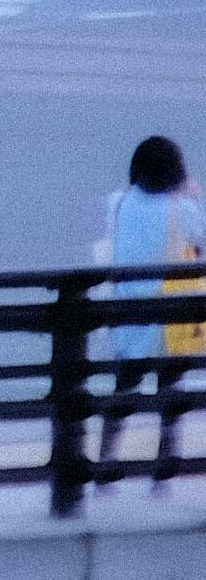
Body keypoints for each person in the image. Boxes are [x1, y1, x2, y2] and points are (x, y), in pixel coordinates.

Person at [100, 134, 206, 418]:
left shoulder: (118, 202)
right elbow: (201, 240)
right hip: (166, 325)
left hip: (126, 320)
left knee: (123, 390)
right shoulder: (182, 208)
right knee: (169, 388)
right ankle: (165, 451)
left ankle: (107, 453)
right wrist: (193, 197)